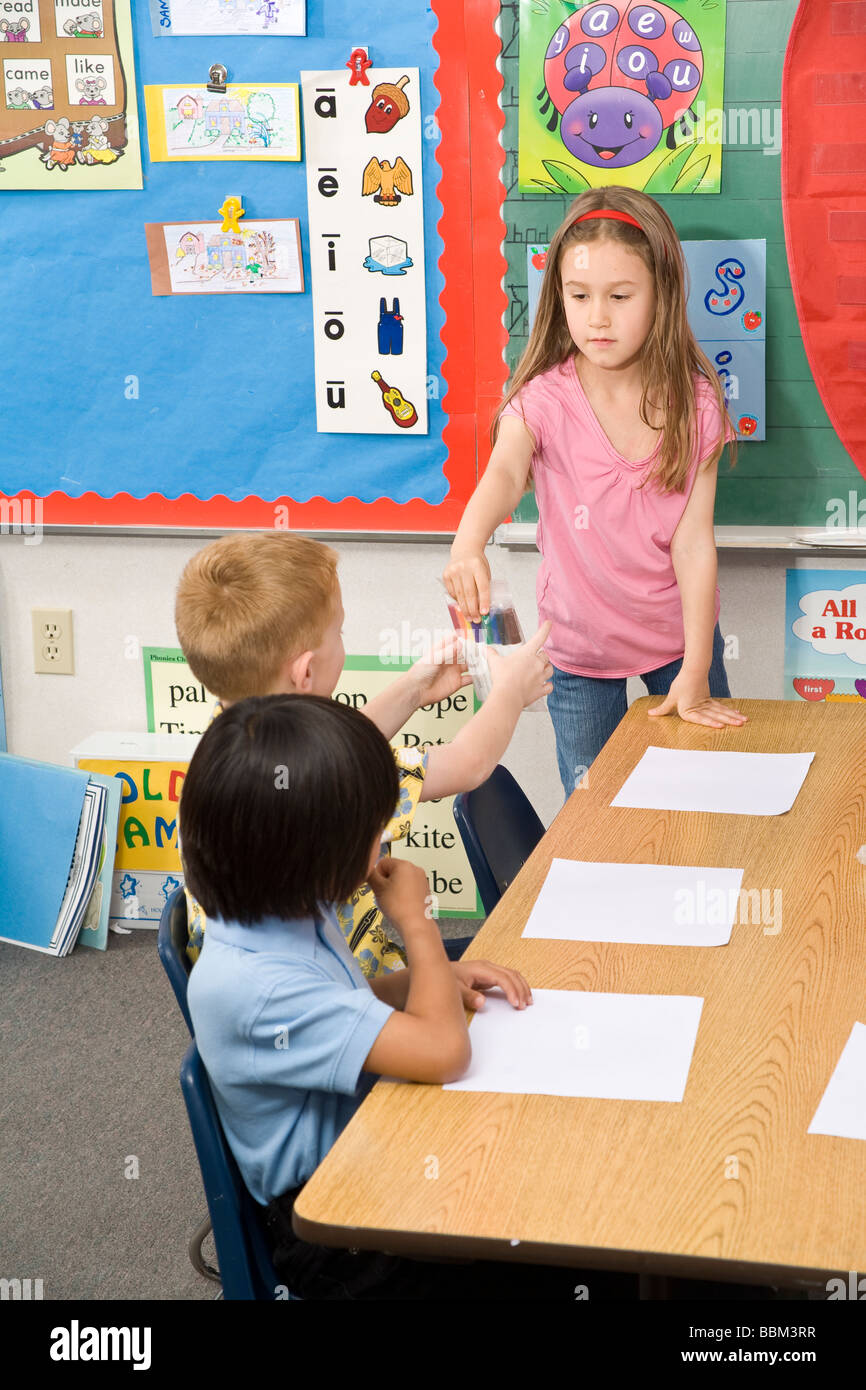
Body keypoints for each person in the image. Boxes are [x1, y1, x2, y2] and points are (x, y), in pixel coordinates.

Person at [182, 694, 636, 1299]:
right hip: (337, 1233)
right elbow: (446, 1052)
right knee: (586, 1241)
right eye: (374, 834)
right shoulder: (255, 988)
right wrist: (419, 928)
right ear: (313, 858)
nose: (384, 847)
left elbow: (343, 998)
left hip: (373, 1148)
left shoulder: (282, 910)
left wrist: (426, 982)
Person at [444, 186, 748, 798]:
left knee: (704, 799)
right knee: (593, 809)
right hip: (579, 651)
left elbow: (694, 545)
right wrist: (467, 542)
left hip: (680, 642)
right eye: (579, 297)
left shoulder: (697, 405)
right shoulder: (542, 401)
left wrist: (695, 668)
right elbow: (505, 471)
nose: (597, 317)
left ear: (662, 295)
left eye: (620, 296)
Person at [175, 532, 552, 972]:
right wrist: (509, 690)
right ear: (307, 671)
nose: (342, 639)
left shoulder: (227, 738)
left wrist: (413, 690)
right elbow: (468, 764)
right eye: (340, 630)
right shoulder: (328, 777)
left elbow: (351, 740)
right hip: (351, 993)